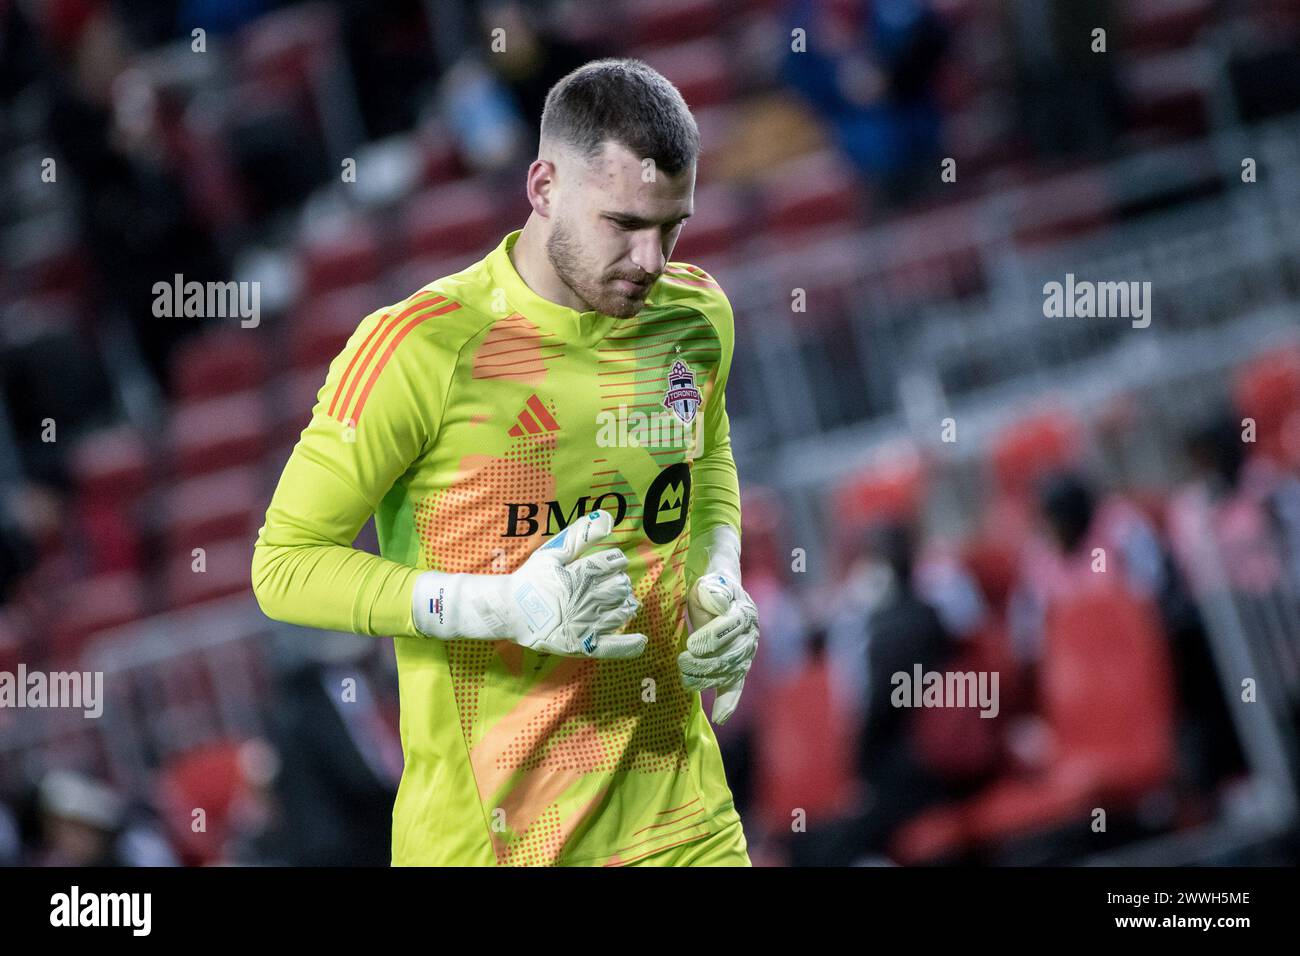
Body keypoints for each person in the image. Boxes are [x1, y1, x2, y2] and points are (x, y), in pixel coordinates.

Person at [252, 59, 760, 866]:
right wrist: (498, 607)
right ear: (543, 187)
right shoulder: (421, 347)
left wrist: (721, 577)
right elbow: (283, 567)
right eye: (623, 223)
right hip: (490, 844)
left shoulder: (695, 318)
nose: (651, 259)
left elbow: (707, 467)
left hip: (681, 826)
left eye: (672, 227)